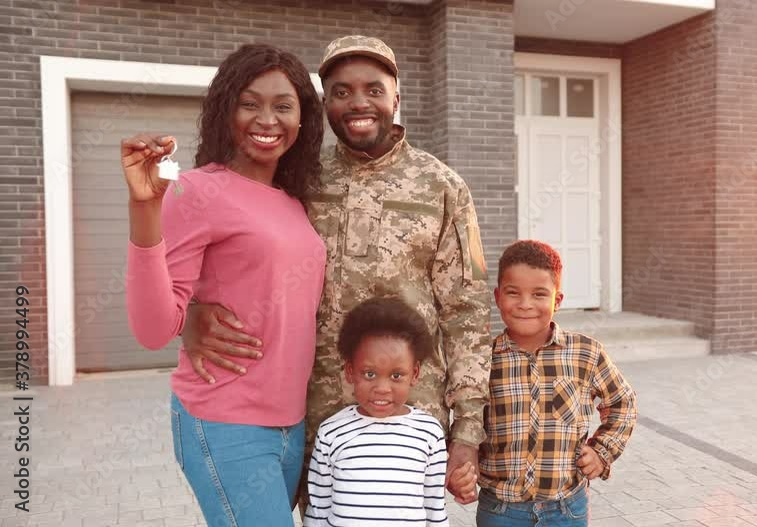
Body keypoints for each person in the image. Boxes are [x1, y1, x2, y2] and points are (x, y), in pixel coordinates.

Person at [177, 35, 492, 507]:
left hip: (405, 416)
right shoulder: (297, 179)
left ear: (396, 97)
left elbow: (466, 312)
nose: (358, 102)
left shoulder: (443, 186)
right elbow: (228, 247)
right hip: (309, 416)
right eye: (341, 91)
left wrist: (467, 429)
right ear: (325, 105)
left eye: (373, 89)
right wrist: (190, 315)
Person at [123, 43, 326, 526]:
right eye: (249, 102)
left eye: (283, 105)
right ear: (226, 109)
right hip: (225, 419)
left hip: (292, 424)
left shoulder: (295, 201)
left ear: (302, 119)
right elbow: (152, 328)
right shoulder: (196, 190)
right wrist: (145, 210)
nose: (267, 119)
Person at [474, 240, 638, 526]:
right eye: (514, 293)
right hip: (500, 509)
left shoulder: (585, 353)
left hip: (566, 509)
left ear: (557, 301)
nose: (525, 304)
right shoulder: (483, 360)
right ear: (498, 297)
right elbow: (466, 419)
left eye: (539, 294)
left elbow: (622, 402)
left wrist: (602, 452)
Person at [304, 297, 474, 526]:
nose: (382, 389)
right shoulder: (331, 433)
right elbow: (317, 512)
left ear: (414, 374)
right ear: (350, 372)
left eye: (396, 375)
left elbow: (435, 510)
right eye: (370, 374)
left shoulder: (429, 433)